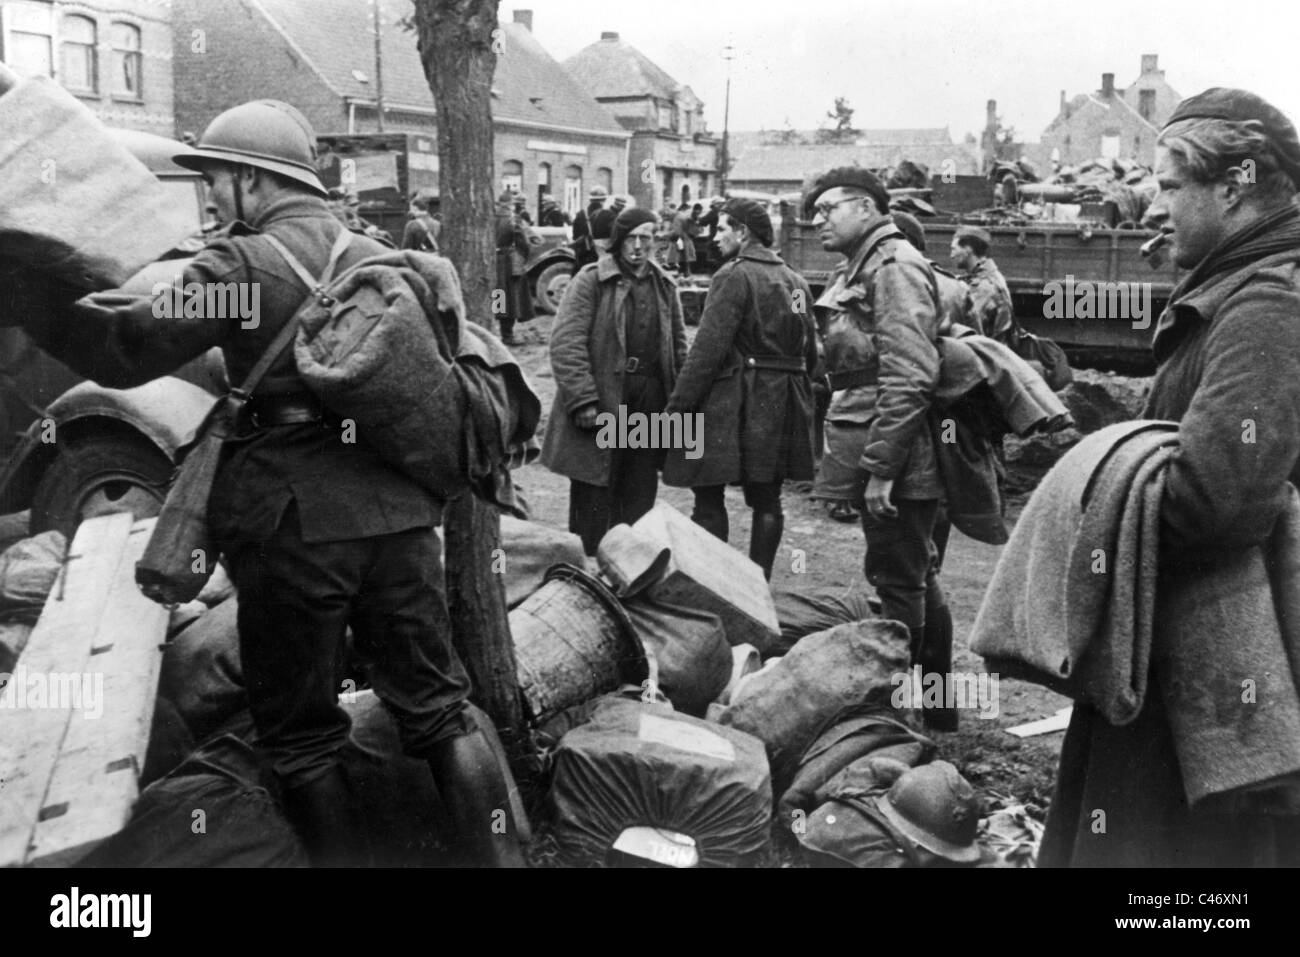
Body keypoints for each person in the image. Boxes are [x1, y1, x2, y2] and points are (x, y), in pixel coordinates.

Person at [18, 100, 526, 868]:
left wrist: (28, 297)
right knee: (438, 707)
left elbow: (129, 345)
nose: (212, 196)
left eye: (217, 179)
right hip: (399, 523)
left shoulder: (241, 268)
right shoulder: (377, 254)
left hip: (294, 528)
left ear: (254, 180)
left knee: (301, 738)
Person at [1040, 88, 1300, 868]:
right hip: (1211, 660)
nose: (1154, 207)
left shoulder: (1266, 303)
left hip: (1211, 663)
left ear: (1235, 185)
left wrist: (1102, 488)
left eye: (1169, 186)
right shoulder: (1249, 287)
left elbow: (1217, 498)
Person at [806, 166, 955, 732]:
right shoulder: (866, 262)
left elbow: (911, 372)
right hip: (885, 438)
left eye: (829, 208)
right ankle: (935, 710)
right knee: (911, 573)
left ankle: (899, 718)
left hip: (898, 449)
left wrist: (883, 469)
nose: (818, 220)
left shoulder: (892, 266)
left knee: (900, 580)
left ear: (867, 207)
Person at [663, 198, 817, 580]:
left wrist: (676, 410)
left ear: (743, 232)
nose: (714, 238)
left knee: (708, 491)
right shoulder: (796, 282)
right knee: (767, 498)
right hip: (782, 402)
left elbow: (707, 351)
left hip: (735, 402)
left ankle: (713, 585)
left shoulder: (733, 276)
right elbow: (809, 350)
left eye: (721, 229)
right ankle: (758, 584)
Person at [540, 207, 687, 554]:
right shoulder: (591, 280)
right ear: (618, 241)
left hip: (648, 403)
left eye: (645, 238)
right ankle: (587, 569)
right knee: (595, 490)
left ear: (655, 241)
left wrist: (681, 403)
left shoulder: (665, 285)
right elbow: (566, 342)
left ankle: (627, 572)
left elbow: (679, 347)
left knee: (639, 492)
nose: (637, 246)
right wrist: (582, 398)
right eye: (630, 238)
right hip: (605, 400)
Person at [950, 226, 1013, 343]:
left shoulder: (983, 286)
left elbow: (972, 333)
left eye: (954, 249)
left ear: (968, 250)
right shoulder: (989, 275)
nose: (951, 255)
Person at [494, 190, 539, 345]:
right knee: (512, 299)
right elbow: (524, 243)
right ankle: (507, 335)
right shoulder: (514, 219)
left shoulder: (490, 217)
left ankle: (498, 329)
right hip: (509, 263)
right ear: (511, 204)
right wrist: (523, 257)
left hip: (493, 261)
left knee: (498, 295)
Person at [571, 185, 606, 268]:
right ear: (604, 200)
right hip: (601, 254)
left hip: (583, 253)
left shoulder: (581, 213)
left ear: (590, 200)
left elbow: (575, 235)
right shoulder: (606, 214)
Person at [666, 200, 699, 278]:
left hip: (681, 241)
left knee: (682, 259)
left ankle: (684, 276)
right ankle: (685, 275)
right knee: (685, 261)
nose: (668, 213)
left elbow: (677, 232)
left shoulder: (678, 217)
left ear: (673, 209)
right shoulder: (683, 216)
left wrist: (667, 235)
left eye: (669, 211)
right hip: (687, 239)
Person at [401, 188, 440, 252]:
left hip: (419, 257)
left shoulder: (411, 225)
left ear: (414, 207)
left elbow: (405, 251)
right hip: (435, 257)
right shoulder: (437, 224)